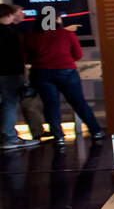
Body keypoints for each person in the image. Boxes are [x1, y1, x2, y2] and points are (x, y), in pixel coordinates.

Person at [22, 12, 104, 145]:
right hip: (66, 72)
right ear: (56, 20)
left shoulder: (30, 37)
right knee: (79, 102)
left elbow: (26, 58)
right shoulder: (67, 34)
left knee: (51, 105)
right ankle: (96, 131)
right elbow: (77, 55)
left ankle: (58, 136)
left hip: (41, 73)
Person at [0, 3, 34, 150]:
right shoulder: (10, 33)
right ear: (8, 15)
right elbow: (17, 54)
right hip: (10, 73)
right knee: (10, 104)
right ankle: (10, 137)